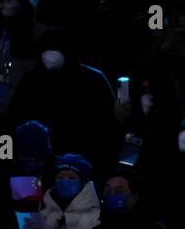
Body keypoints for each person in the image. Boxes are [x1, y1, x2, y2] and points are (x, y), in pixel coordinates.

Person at [7, 28, 119, 171]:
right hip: (36, 163)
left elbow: (106, 124)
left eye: (56, 48)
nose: (50, 53)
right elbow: (15, 118)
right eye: (46, 48)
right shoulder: (32, 79)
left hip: (80, 163)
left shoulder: (93, 79)